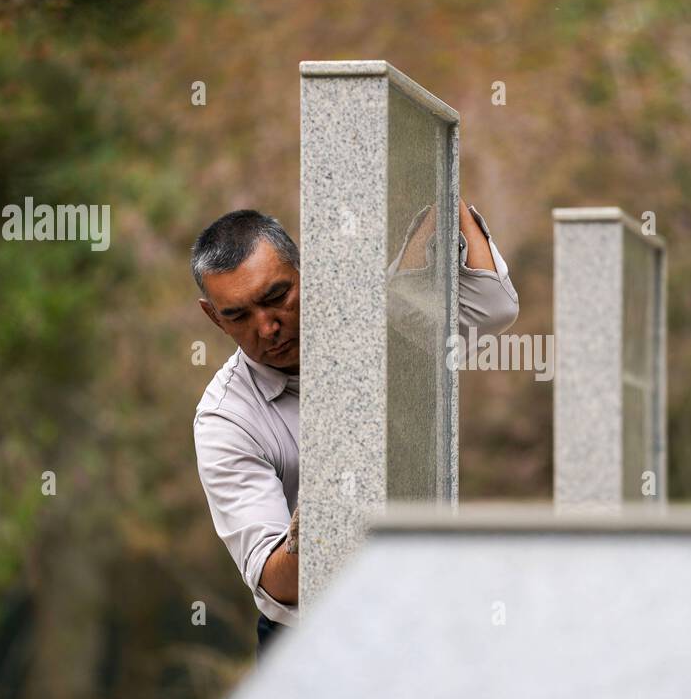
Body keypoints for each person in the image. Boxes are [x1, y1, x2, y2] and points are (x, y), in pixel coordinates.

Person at [190, 199, 518, 659]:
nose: (266, 327)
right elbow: (280, 583)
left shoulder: (372, 325)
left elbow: (492, 308)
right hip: (311, 645)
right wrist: (324, 503)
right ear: (212, 317)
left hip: (421, 615)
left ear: (306, 274)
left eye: (276, 297)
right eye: (237, 316)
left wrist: (441, 188)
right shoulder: (225, 419)